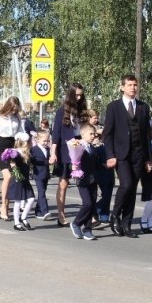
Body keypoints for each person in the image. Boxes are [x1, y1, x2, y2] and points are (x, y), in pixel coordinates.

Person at [102, 75, 152, 238]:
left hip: (138, 154)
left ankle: (127, 224)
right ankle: (115, 215)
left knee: (132, 190)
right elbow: (107, 134)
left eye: (135, 85)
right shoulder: (114, 107)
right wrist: (110, 155)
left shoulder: (143, 107)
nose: (133, 88)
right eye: (129, 85)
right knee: (126, 184)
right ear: (122, 87)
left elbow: (146, 135)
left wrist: (148, 158)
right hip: (121, 154)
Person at [50, 83, 88, 226]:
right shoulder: (62, 111)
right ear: (71, 95)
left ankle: (90, 215)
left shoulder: (82, 111)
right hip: (66, 151)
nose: (78, 98)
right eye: (76, 95)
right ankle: (61, 215)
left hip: (80, 149)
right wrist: (53, 153)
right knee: (64, 183)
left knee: (84, 182)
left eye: (81, 95)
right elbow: (56, 134)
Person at [0, 97, 23, 221]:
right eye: (12, 109)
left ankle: (7, 204)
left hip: (12, 148)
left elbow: (20, 132)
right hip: (0, 148)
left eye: (16, 110)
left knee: (13, 177)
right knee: (7, 176)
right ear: (8, 107)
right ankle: (3, 205)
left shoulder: (17, 117)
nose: (14, 111)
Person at [69, 124, 99, 241]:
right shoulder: (77, 145)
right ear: (83, 134)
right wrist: (74, 165)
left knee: (92, 204)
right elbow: (72, 159)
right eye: (91, 134)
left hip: (93, 178)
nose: (93, 136)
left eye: (94, 134)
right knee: (87, 203)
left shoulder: (92, 147)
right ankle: (76, 223)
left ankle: (87, 229)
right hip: (82, 178)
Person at [4, 132, 37, 231]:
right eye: (29, 142)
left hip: (25, 180)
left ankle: (23, 217)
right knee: (18, 201)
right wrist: (11, 159)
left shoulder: (27, 153)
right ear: (25, 143)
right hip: (18, 180)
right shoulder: (16, 153)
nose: (31, 143)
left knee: (31, 199)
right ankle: (16, 222)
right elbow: (11, 160)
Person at [30, 129, 53, 220]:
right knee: (41, 192)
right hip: (38, 174)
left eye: (47, 141)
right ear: (37, 140)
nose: (46, 142)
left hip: (46, 174)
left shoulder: (47, 149)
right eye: (44, 141)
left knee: (42, 193)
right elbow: (34, 161)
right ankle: (45, 211)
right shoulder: (34, 150)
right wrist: (48, 162)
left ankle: (38, 211)